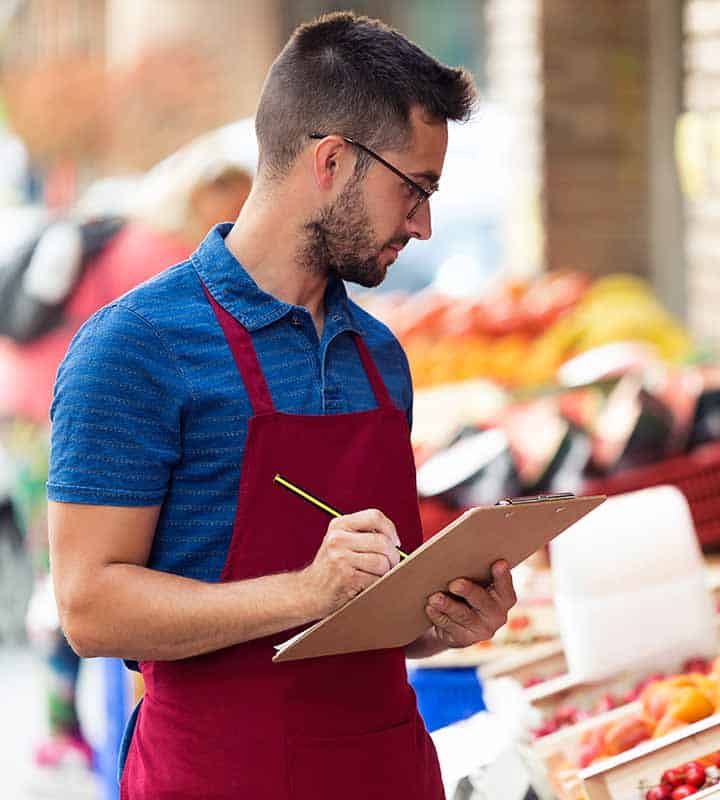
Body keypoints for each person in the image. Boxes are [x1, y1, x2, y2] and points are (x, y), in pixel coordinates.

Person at [46, 12, 515, 799]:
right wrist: (306, 591)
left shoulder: (381, 357)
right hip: (219, 773)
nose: (425, 225)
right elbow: (89, 606)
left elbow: (370, 608)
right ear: (332, 161)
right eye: (414, 189)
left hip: (386, 768)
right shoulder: (136, 348)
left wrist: (442, 619)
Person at [0, 129, 252, 788]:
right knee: (77, 578)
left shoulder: (128, 238)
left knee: (60, 571)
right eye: (236, 199)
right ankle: (63, 730)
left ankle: (63, 729)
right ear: (208, 199)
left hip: (27, 408)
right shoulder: (160, 257)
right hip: (58, 417)